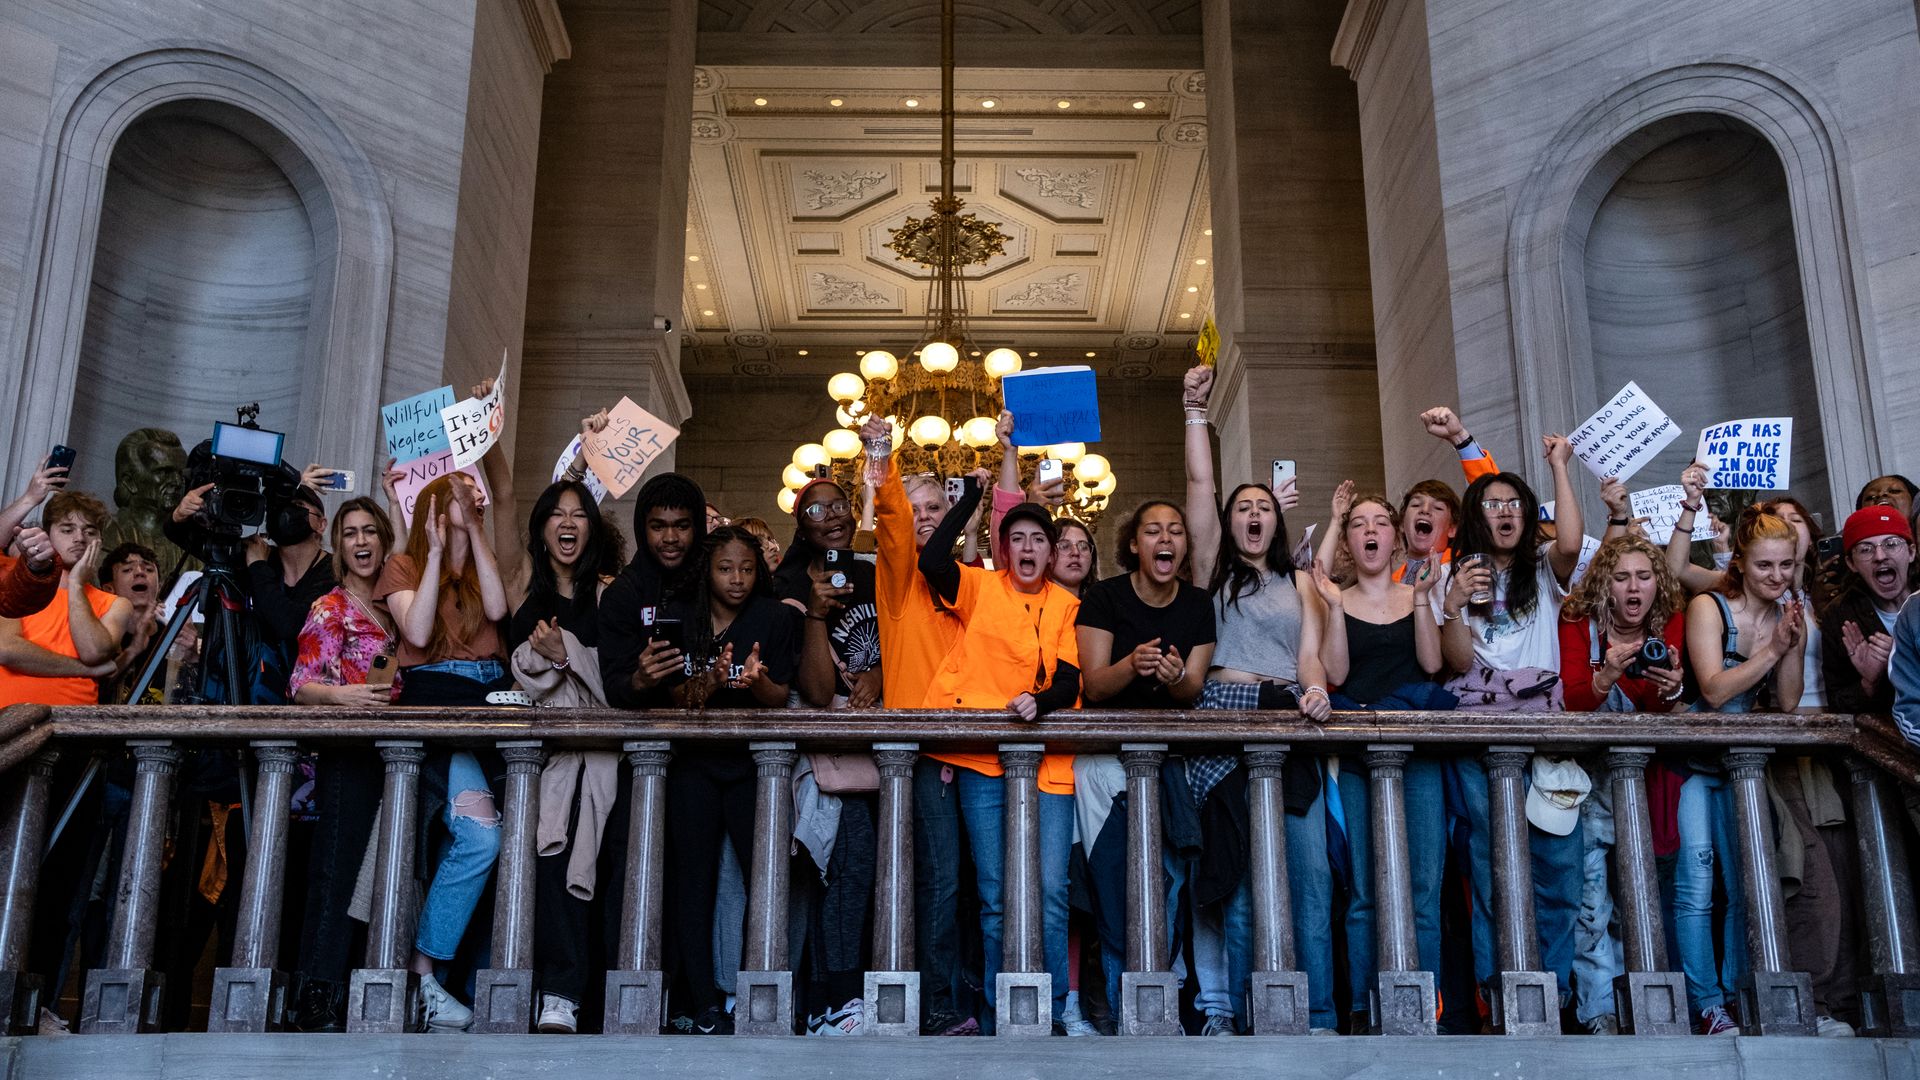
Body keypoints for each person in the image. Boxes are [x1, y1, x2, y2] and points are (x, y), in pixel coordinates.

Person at [1180, 365, 1336, 1031]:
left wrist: (1317, 691)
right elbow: (1199, 485)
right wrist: (1194, 410)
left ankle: (1320, 1013)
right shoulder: (1211, 568)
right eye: (1243, 507)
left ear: (1277, 521)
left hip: (1285, 713)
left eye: (1263, 508)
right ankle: (1248, 1017)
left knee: (1309, 877)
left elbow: (1308, 654)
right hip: (1222, 711)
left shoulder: (1298, 582)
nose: (1252, 514)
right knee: (1240, 875)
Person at [917, 473, 1081, 1033]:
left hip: (1047, 761)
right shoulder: (982, 588)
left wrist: (1039, 701)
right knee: (994, 895)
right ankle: (998, 1014)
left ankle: (1053, 1013)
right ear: (1004, 549)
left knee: (1051, 893)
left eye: (1039, 539)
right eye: (1018, 539)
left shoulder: (1065, 604)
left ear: (1052, 552)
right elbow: (933, 562)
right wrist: (970, 500)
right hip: (979, 760)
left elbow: (1069, 677)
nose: (1028, 548)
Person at [1433, 437, 1586, 1028]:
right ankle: (1500, 998)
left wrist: (1558, 468)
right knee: (1494, 869)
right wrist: (1450, 606)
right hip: (1481, 732)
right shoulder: (1459, 573)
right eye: (1494, 504)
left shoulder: (1542, 571)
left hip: (1545, 732)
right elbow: (1453, 662)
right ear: (1477, 516)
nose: (1505, 512)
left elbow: (1570, 541)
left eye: (1516, 505)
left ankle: (1555, 993)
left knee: (1557, 870)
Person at [374, 474, 510, 1031]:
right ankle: (422, 975)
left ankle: (434, 976)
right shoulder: (403, 566)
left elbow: (499, 611)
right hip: (437, 706)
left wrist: (475, 532)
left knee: (500, 838)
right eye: (464, 491)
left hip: (487, 704)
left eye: (477, 492)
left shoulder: (482, 564)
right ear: (435, 502)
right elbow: (420, 628)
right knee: (480, 837)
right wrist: (430, 553)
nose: (476, 496)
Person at [1073, 499, 1215, 1030]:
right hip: (1107, 767)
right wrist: (1132, 665)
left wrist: (1177, 676)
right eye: (1153, 530)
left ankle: (1161, 1009)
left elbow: (1193, 690)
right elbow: (1093, 684)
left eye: (1176, 531)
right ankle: (1119, 1006)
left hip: (1172, 768)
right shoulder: (1105, 598)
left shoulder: (1198, 605)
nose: (1166, 538)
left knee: (1171, 886)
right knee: (1114, 886)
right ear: (1134, 544)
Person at [651, 526, 796, 1034]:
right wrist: (711, 680)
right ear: (706, 571)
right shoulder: (680, 618)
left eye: (747, 569)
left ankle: (763, 994)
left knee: (766, 877)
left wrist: (756, 684)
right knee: (694, 883)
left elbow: (780, 699)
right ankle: (703, 1001)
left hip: (752, 766)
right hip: (692, 765)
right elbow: (669, 698)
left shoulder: (775, 618)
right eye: (726, 568)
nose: (737, 579)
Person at [1311, 487, 1450, 1013]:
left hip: (1417, 754)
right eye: (1359, 524)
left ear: (1394, 538)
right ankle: (1370, 1006)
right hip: (1357, 756)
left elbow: (1433, 666)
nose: (1370, 530)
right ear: (1348, 541)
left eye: (1379, 522)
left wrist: (1419, 599)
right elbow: (1338, 675)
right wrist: (1333, 606)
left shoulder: (1417, 593)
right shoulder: (1337, 598)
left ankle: (1424, 1007)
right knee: (1366, 892)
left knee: (1422, 889)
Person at [1555, 535, 1688, 1034]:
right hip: (1586, 780)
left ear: (1658, 583)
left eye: (1644, 576)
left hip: (1647, 782)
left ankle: (1648, 1007)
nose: (1634, 587)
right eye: (1621, 577)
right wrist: (1605, 675)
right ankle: (1598, 1013)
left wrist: (1671, 691)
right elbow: (1569, 702)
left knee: (1640, 893)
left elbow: (1661, 708)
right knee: (1591, 899)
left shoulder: (1668, 622)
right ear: (1605, 585)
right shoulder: (1577, 620)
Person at [1681, 508, 1807, 1035]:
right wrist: (1771, 652)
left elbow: (1788, 703)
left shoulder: (1784, 612)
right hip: (1691, 763)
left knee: (1741, 887)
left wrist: (1792, 646)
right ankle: (1704, 1002)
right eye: (1765, 567)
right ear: (1740, 564)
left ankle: (1734, 996)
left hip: (1743, 767)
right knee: (1695, 886)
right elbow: (1712, 689)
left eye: (1786, 566)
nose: (1776, 577)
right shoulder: (1709, 607)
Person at [282, 496, 394, 1030]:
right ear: (339, 546)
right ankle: (315, 995)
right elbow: (300, 687)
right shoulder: (331, 606)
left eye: (371, 531)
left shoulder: (398, 605)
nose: (362, 542)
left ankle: (355, 991)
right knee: (338, 873)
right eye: (350, 534)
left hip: (393, 757)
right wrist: (344, 698)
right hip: (347, 754)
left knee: (377, 875)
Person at [0, 491, 131, 706]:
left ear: (99, 541)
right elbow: (7, 650)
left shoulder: (115, 603)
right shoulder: (16, 580)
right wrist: (85, 670)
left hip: (74, 723)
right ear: (48, 535)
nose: (79, 538)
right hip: (8, 717)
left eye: (90, 531)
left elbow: (94, 653)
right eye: (67, 530)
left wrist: (77, 585)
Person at [598, 473, 709, 709]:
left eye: (682, 525)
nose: (670, 538)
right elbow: (613, 688)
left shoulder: (717, 583)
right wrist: (640, 679)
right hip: (647, 734)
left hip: (723, 725)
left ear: (697, 527)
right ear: (642, 527)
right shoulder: (622, 594)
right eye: (658, 526)